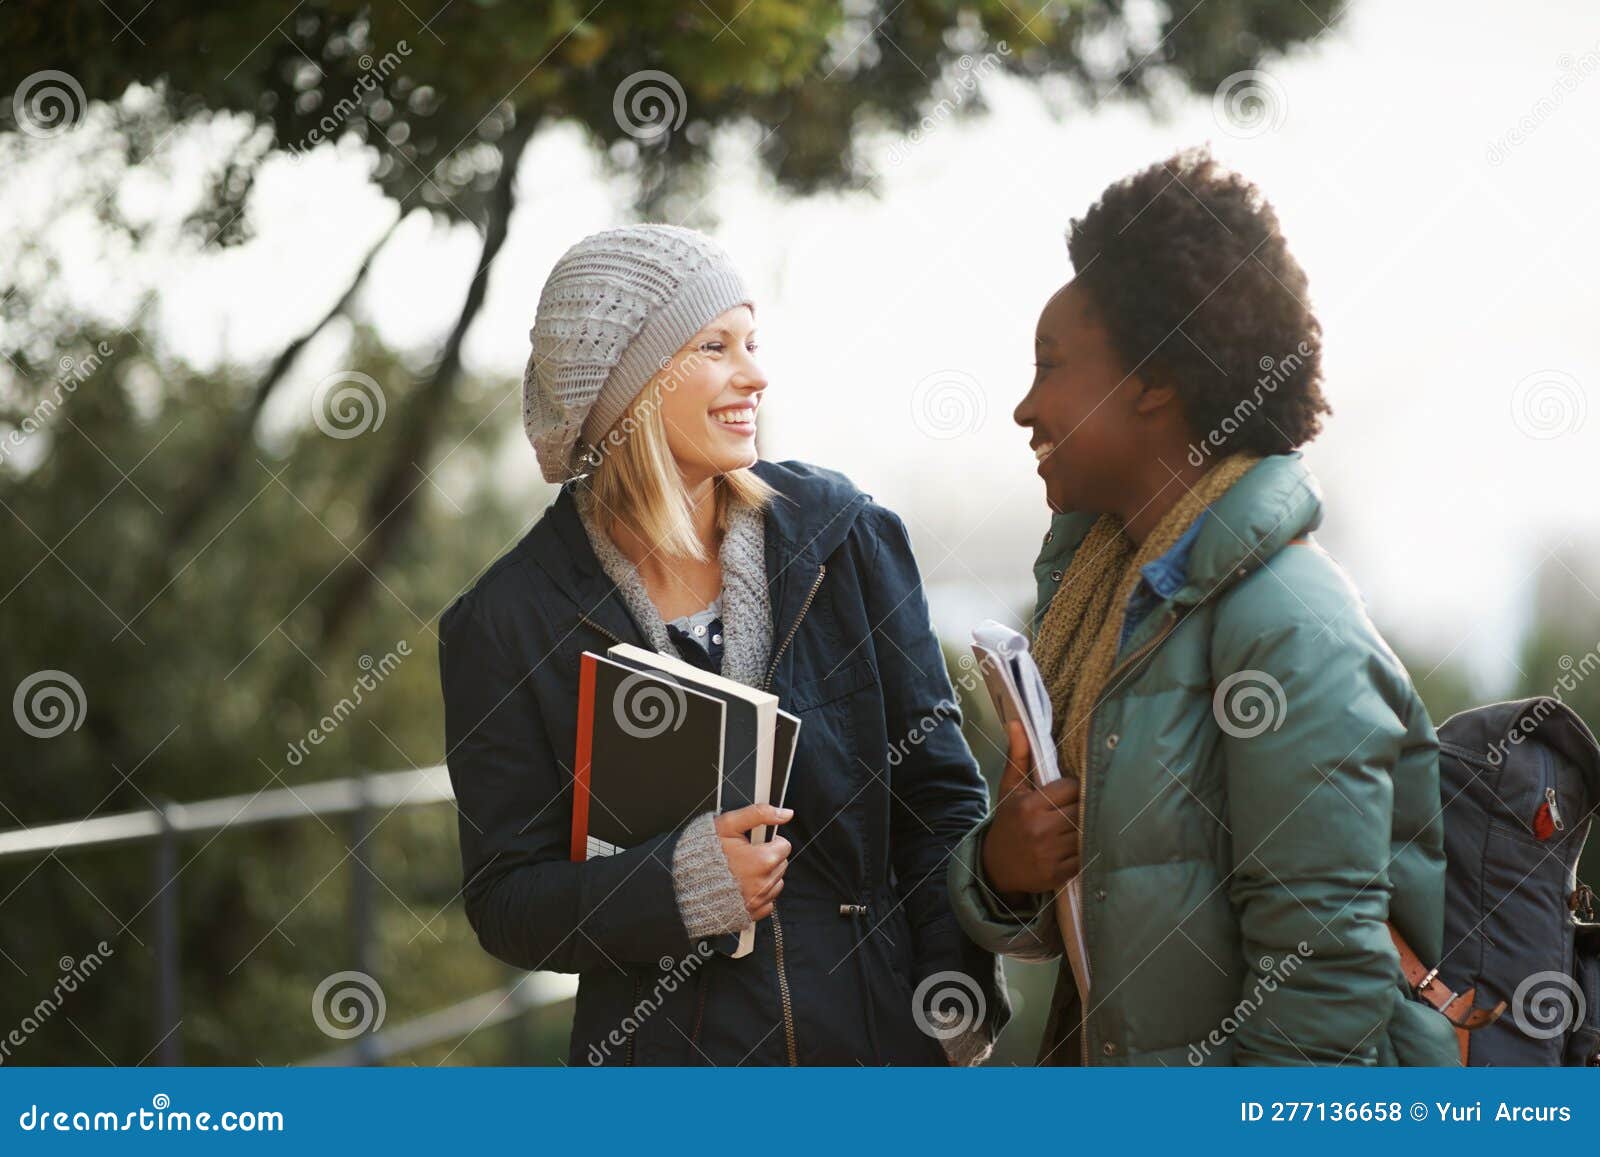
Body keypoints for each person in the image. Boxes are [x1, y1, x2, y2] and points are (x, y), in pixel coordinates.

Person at [439, 224, 1005, 1065]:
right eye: (715, 345)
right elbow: (507, 898)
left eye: (752, 341)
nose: (755, 374)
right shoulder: (506, 620)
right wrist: (675, 884)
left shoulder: (845, 536)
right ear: (626, 388)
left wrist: (947, 1007)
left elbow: (939, 797)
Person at [947, 149, 1462, 1066]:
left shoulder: (1289, 627)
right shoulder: (1110, 602)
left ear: (1155, 380)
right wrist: (1004, 862)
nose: (1026, 406)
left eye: (1051, 365)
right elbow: (1106, 918)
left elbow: (1319, 1006)